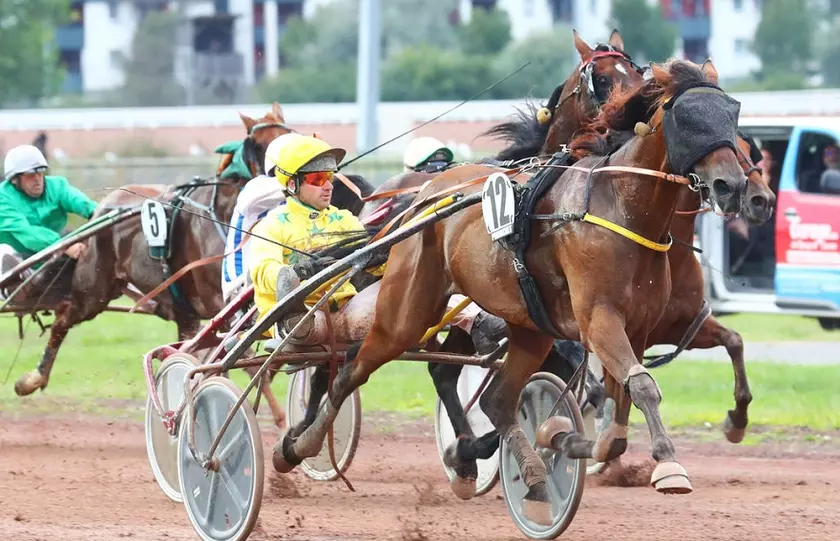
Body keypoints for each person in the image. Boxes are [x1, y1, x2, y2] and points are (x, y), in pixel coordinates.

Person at [248, 133, 506, 352]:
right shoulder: (272, 225)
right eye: (317, 180)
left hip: (348, 307)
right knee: (312, 321)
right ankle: (294, 326)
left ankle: (477, 321)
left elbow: (371, 262)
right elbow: (262, 271)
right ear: (292, 184)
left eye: (330, 177)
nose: (328, 186)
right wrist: (292, 275)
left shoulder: (344, 220)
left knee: (411, 282)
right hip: (310, 311)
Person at [0, 144, 97, 303]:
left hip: (51, 255)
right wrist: (65, 246)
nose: (38, 180)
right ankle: (11, 290)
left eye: (40, 173)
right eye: (30, 175)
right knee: (3, 251)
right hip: (17, 255)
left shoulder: (58, 186)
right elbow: (27, 234)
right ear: (15, 180)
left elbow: (85, 204)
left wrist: (100, 214)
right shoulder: (2, 198)